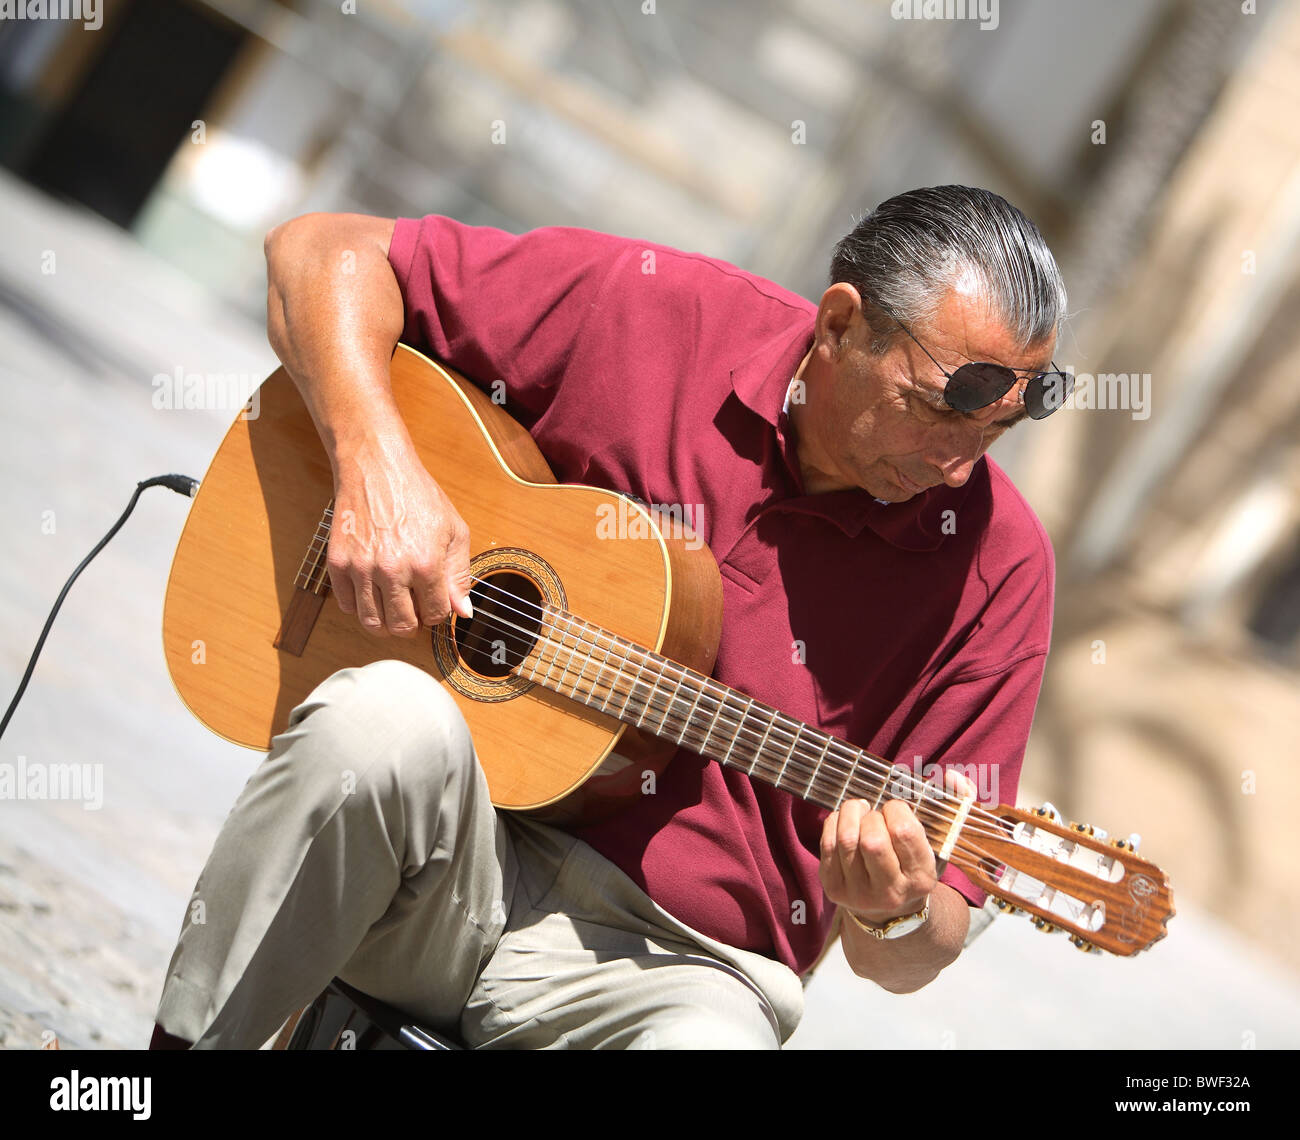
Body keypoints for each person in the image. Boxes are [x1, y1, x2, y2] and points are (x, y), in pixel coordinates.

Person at [149, 184, 1067, 1050]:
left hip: (677, 971)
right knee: (374, 721)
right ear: (838, 325)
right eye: (933, 410)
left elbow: (918, 945)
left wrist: (895, 906)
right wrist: (376, 468)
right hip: (446, 862)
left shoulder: (1000, 567)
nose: (957, 463)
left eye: (992, 431)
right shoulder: (657, 312)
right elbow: (319, 251)